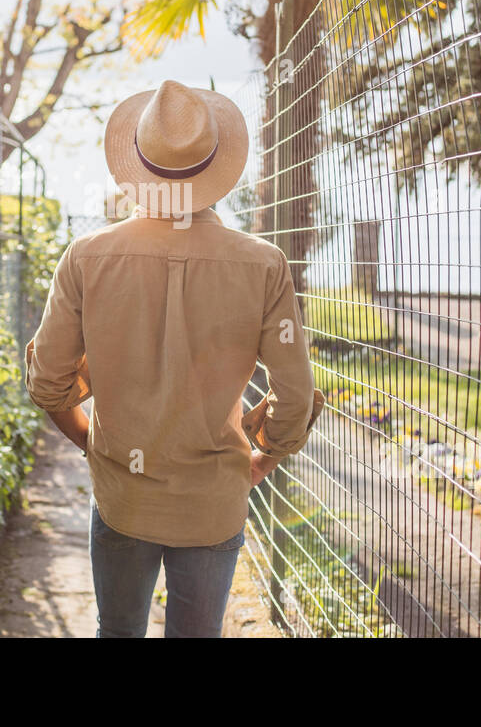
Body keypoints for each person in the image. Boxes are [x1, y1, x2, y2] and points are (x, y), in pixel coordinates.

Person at [23, 79, 325, 638]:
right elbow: (296, 396)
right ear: (215, 168)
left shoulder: (86, 257)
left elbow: (48, 383)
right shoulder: (263, 265)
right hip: (213, 502)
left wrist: (96, 447)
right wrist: (260, 464)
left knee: (116, 630)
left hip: (122, 499)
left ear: (139, 164)